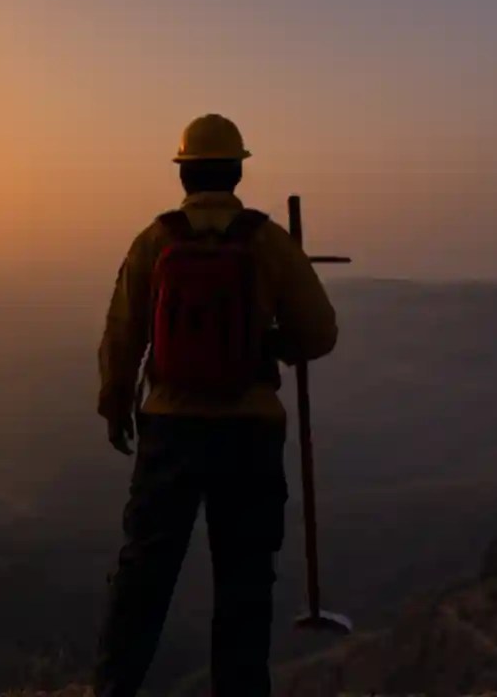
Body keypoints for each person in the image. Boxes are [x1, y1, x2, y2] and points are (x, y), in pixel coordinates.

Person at [94, 114, 338, 696]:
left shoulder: (156, 239)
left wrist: (115, 405)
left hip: (169, 428)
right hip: (249, 432)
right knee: (244, 582)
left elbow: (123, 332)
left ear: (184, 175)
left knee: (144, 575)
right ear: (235, 172)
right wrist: (269, 346)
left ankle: (112, 690)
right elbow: (321, 334)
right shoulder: (267, 241)